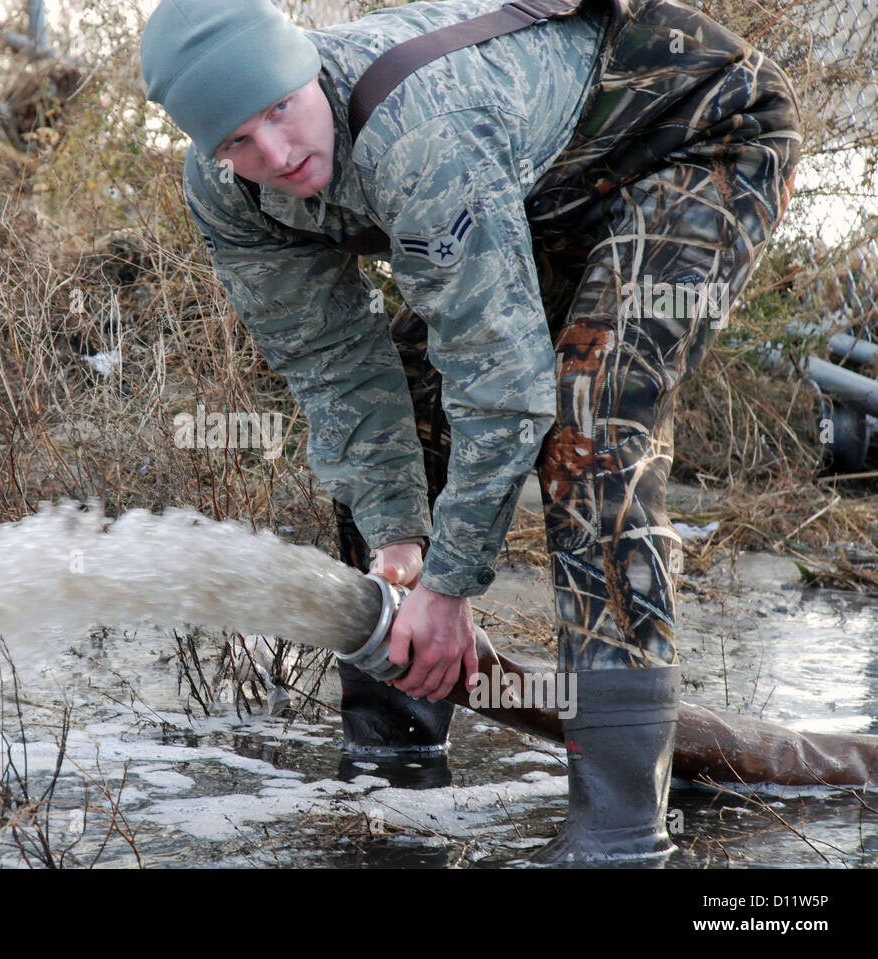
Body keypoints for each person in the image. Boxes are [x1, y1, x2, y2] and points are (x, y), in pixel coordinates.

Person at [140, 0, 800, 863]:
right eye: (236, 142)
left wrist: (449, 586)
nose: (276, 156)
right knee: (410, 399)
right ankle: (391, 754)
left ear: (304, 67)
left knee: (589, 426)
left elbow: (505, 388)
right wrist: (399, 546)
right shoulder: (229, 192)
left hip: (697, 138)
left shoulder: (420, 131)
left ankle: (621, 830)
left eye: (279, 111)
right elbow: (336, 367)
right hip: (540, 181)